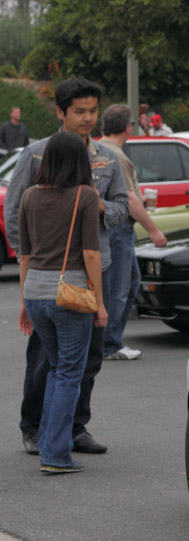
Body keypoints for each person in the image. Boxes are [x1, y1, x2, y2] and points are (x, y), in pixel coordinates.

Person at [4, 77, 129, 457]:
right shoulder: (38, 154)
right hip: (49, 276)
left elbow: (124, 208)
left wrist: (98, 205)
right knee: (45, 357)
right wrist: (32, 258)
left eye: (93, 110)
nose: (88, 118)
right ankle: (34, 426)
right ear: (60, 113)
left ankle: (75, 427)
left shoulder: (108, 157)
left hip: (96, 269)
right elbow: (14, 214)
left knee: (89, 357)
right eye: (79, 111)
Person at [17, 132, 108, 473]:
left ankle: (50, 444)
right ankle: (55, 454)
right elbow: (90, 254)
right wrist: (100, 303)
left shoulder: (28, 196)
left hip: (36, 293)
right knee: (70, 372)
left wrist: (24, 303)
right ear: (79, 162)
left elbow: (25, 254)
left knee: (57, 368)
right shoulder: (85, 195)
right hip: (69, 294)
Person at [97, 104, 168, 360]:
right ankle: (110, 344)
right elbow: (129, 199)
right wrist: (154, 229)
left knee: (127, 283)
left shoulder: (97, 150)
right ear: (128, 128)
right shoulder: (117, 156)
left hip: (106, 226)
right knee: (121, 286)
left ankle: (108, 340)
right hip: (118, 228)